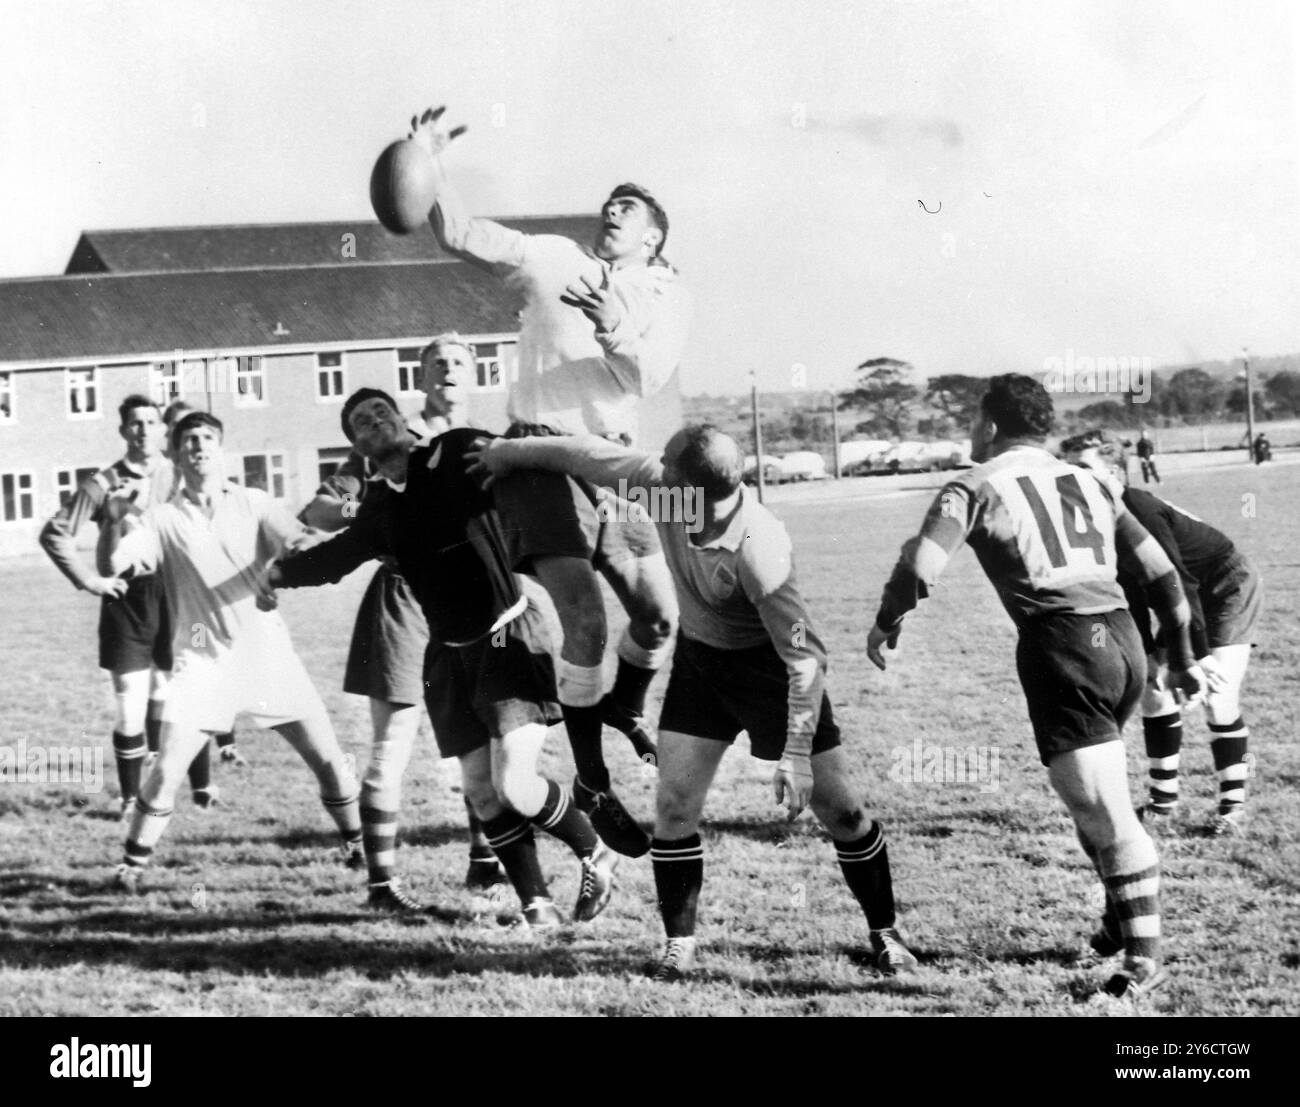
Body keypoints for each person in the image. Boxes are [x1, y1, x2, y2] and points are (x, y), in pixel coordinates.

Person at [468, 425, 917, 981]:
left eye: (668, 461)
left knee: (844, 814)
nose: (656, 464)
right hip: (702, 668)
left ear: (693, 486)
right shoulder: (671, 495)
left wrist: (797, 753)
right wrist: (505, 453)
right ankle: (678, 943)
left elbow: (805, 659)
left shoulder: (759, 548)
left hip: (770, 675)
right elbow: (586, 454)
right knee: (675, 810)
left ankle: (886, 933)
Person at [864, 375, 1204, 1000]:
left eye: (974, 420)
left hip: (1064, 648)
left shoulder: (975, 482)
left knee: (1105, 811)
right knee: (1094, 799)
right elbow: (1161, 573)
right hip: (1122, 638)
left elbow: (920, 565)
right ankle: (1117, 918)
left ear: (990, 425)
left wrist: (887, 622)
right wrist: (1179, 652)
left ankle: (1142, 960)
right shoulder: (1092, 479)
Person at [406, 106, 690, 852]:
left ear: (655, 235)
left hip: (612, 459)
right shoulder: (556, 257)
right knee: (587, 621)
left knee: (659, 615)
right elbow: (459, 233)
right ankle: (592, 777)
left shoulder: (666, 295)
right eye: (609, 205)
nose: (611, 212)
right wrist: (430, 162)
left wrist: (611, 324)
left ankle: (624, 708)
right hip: (536, 454)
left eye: (627, 208)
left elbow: (648, 372)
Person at [269, 389, 618, 929]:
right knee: (480, 790)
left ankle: (595, 851)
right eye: (361, 421)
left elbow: (518, 460)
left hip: (507, 634)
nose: (374, 420)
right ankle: (537, 906)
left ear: (403, 419)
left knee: (513, 785)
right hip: (448, 656)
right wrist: (271, 575)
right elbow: (333, 559)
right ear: (357, 446)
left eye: (382, 410)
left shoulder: (455, 451)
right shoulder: (378, 505)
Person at [103, 411, 364, 891]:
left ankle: (355, 844)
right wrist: (113, 522)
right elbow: (112, 563)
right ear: (177, 454)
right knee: (165, 770)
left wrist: (287, 569)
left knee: (327, 760)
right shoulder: (160, 517)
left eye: (207, 438)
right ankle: (131, 866)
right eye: (189, 439)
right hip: (201, 658)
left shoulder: (254, 502)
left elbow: (300, 543)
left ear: (221, 450)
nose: (199, 445)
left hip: (267, 653)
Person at [299, 338, 506, 908]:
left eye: (460, 362)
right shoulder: (382, 440)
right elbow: (317, 513)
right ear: (419, 376)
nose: (448, 371)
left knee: (486, 733)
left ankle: (485, 862)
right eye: (437, 362)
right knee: (393, 743)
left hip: (468, 601)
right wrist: (372, 513)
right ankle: (382, 885)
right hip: (402, 603)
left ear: (476, 374)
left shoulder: (474, 442)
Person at [1062, 429, 1263, 836]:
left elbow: (1179, 582)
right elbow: (1127, 590)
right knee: (1153, 690)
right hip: (1179, 595)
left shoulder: (1134, 504)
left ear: (1114, 471)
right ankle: (1162, 801)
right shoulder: (1086, 516)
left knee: (1216, 693)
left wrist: (1196, 654)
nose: (1071, 478)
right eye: (1065, 468)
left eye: (1083, 467)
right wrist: (1147, 653)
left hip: (1223, 583)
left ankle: (1232, 806)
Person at [40, 394, 216, 816]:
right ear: (123, 431)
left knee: (186, 688)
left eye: (151, 422)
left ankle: (202, 788)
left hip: (180, 595)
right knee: (130, 700)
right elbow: (55, 533)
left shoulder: (181, 474)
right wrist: (88, 580)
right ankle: (130, 798)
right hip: (127, 600)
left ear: (162, 429)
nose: (143, 430)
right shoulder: (102, 484)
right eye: (134, 423)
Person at [162, 399, 248, 769]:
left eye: (202, 434)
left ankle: (224, 743)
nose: (195, 444)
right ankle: (178, 752)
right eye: (184, 432)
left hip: (215, 597)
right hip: (174, 596)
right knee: (187, 668)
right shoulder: (165, 481)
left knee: (217, 662)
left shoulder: (220, 485)